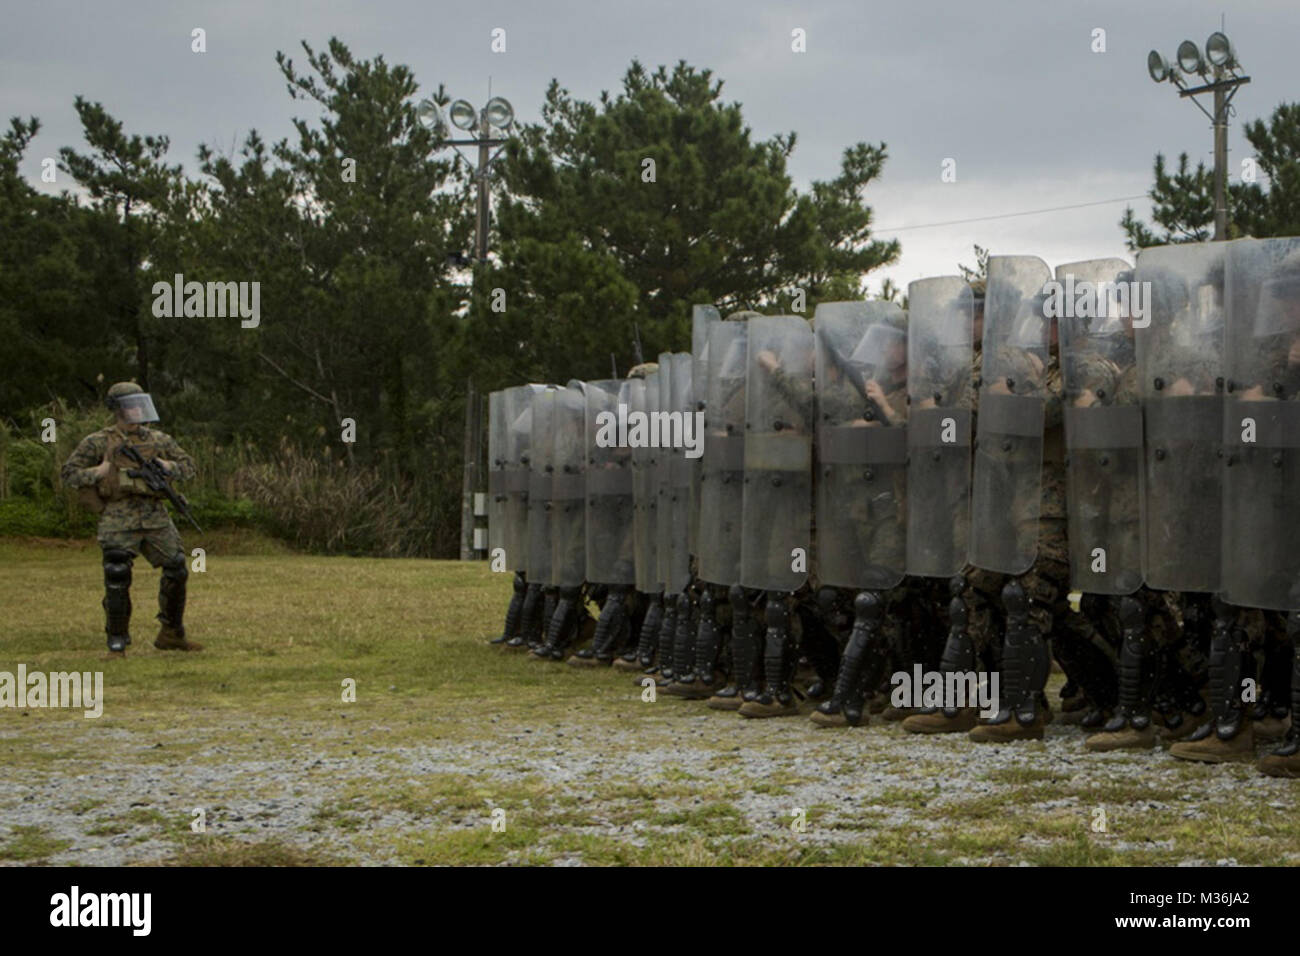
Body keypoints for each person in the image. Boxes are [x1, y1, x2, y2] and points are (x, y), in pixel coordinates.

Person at [60, 382, 200, 655]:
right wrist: (98, 472)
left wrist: (169, 466)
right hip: (117, 515)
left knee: (177, 568)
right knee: (116, 572)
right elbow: (68, 473)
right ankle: (117, 641)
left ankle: (171, 633)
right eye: (130, 405)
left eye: (140, 403)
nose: (137, 410)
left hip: (154, 514)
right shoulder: (98, 441)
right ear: (117, 409)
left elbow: (190, 466)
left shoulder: (158, 440)